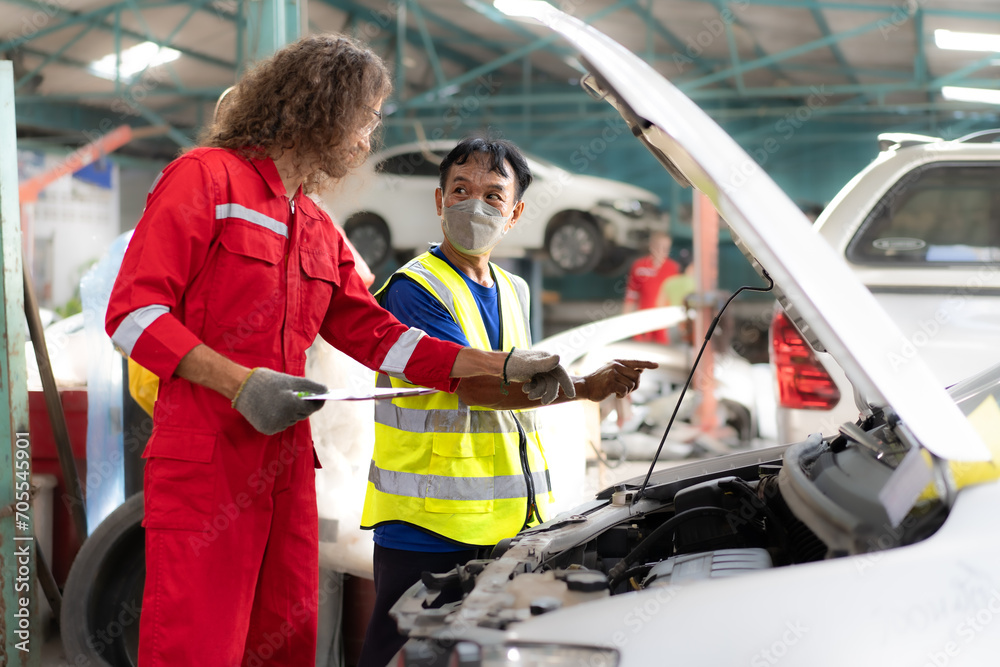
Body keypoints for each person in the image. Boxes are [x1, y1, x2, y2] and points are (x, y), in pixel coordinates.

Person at [104, 37, 569, 667]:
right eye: (369, 119)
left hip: (288, 464)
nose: (368, 140)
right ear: (325, 108)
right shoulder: (206, 178)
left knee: (287, 644)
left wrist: (502, 365)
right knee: (197, 645)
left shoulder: (315, 224)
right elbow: (133, 316)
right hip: (206, 461)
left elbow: (379, 335)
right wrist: (240, 384)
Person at [357, 136, 658, 666]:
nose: (475, 204)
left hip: (507, 522)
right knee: (401, 654)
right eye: (460, 189)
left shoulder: (513, 289)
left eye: (494, 195)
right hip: (428, 523)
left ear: (516, 212)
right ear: (439, 200)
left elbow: (523, 389)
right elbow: (470, 385)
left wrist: (587, 385)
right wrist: (585, 388)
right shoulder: (414, 289)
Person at [622, 230, 679, 343]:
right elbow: (631, 294)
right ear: (651, 246)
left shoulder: (672, 268)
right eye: (658, 247)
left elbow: (675, 297)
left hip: (664, 320)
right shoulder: (639, 266)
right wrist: (626, 319)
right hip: (643, 318)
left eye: (666, 248)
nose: (662, 251)